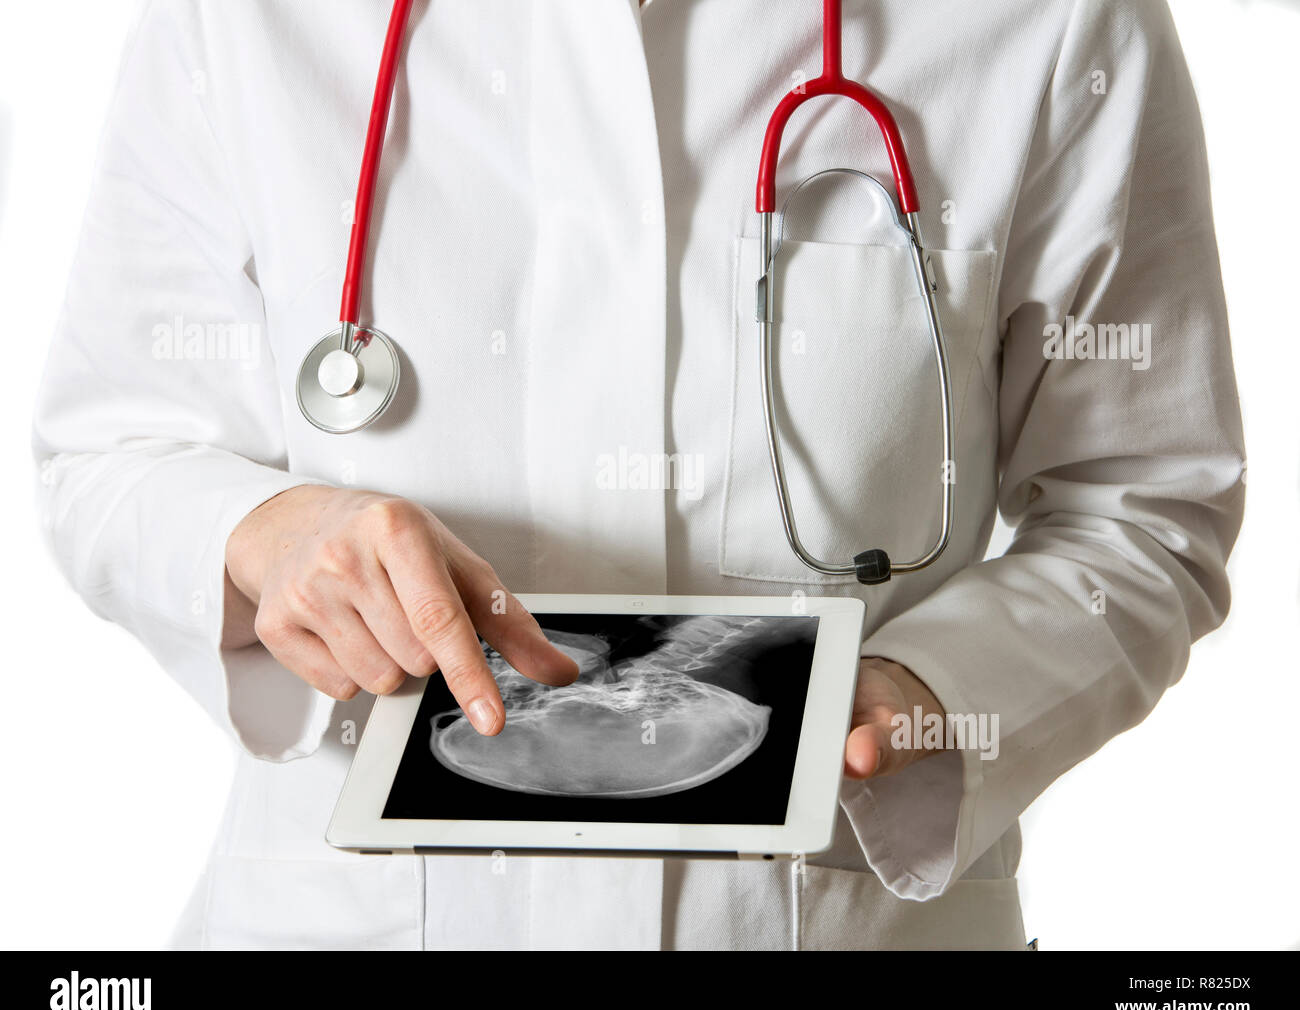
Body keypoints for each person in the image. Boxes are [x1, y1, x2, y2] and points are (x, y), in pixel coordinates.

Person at [33, 0, 1244, 950]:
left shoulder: (1058, 19)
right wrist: (266, 533)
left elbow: (1140, 501)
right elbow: (108, 450)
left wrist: (923, 689)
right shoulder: (236, 19)